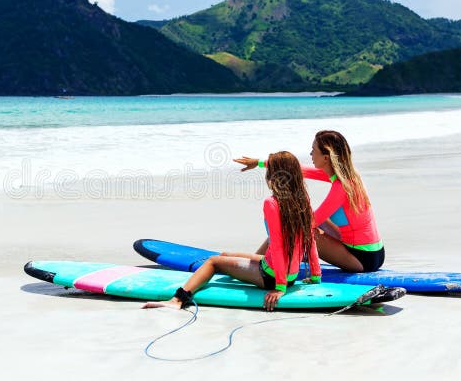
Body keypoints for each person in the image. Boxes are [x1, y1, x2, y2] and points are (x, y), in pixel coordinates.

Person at [143, 151, 321, 312]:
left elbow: (277, 245)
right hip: (291, 274)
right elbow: (310, 240)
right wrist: (315, 276)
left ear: (273, 175)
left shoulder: (272, 203)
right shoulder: (303, 200)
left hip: (271, 275)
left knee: (213, 262)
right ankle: (231, 268)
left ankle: (178, 300)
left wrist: (280, 287)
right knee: (225, 255)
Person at [234, 130, 384, 273]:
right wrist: (260, 162)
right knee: (305, 216)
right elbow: (295, 169)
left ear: (326, 157)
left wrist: (277, 228)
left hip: (362, 258)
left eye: (314, 150)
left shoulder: (341, 188)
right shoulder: (350, 177)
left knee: (294, 228)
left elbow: (309, 224)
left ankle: (256, 263)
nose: (311, 154)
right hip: (374, 252)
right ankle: (273, 257)